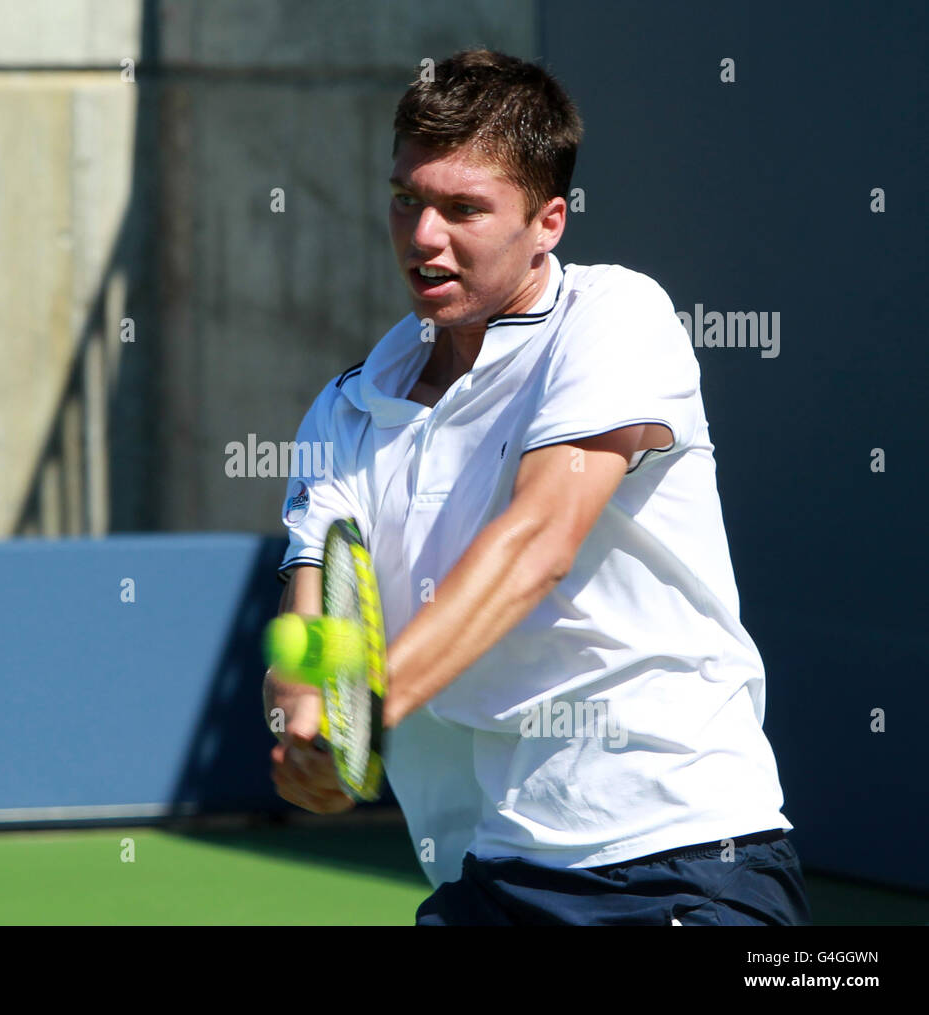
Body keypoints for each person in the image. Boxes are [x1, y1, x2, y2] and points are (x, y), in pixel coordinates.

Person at [263, 49, 810, 926]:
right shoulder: (347, 410)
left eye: (463, 208)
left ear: (548, 221)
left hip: (685, 862)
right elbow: (315, 616)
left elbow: (538, 542)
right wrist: (303, 723)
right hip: (499, 872)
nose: (423, 235)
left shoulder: (617, 317)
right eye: (406, 199)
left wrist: (367, 709)